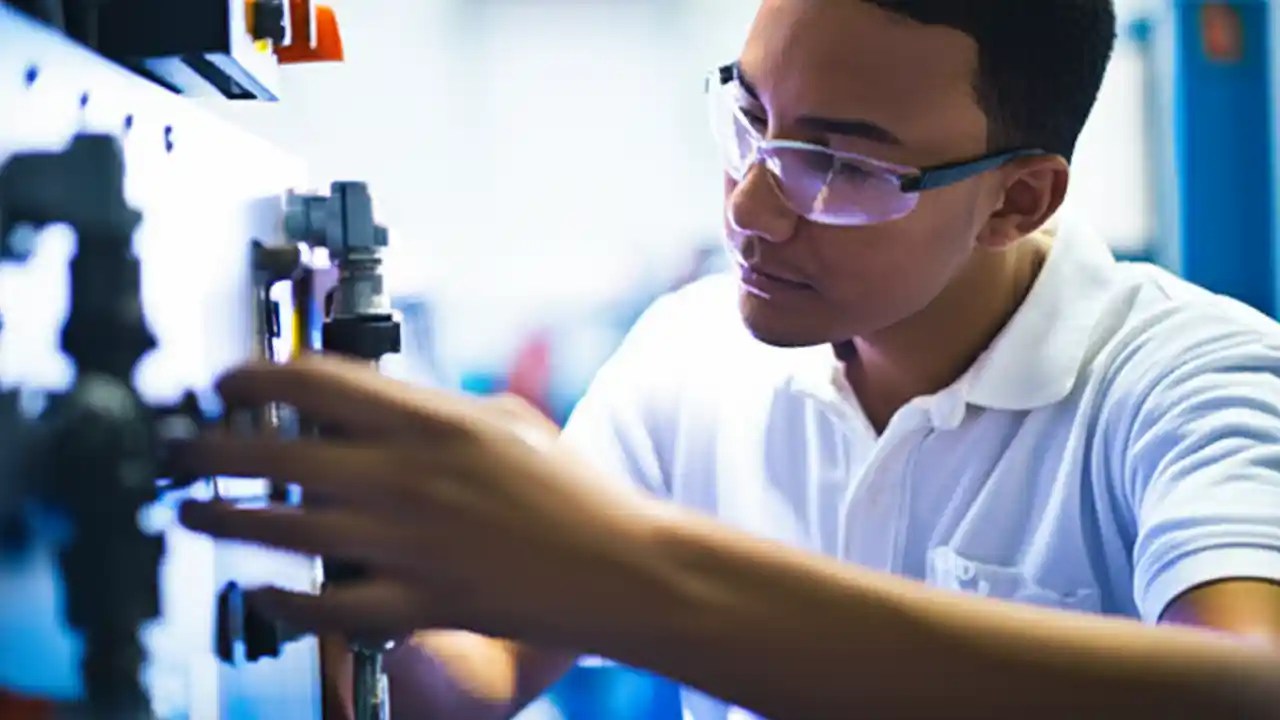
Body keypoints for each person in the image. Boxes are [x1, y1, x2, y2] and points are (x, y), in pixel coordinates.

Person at [176, 1, 1280, 717]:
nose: (749, 206)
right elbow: (491, 672)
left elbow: (1244, 685)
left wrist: (632, 575)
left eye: (837, 165)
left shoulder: (1187, 379)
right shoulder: (687, 357)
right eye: (748, 120)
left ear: (1017, 197)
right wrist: (355, 562)